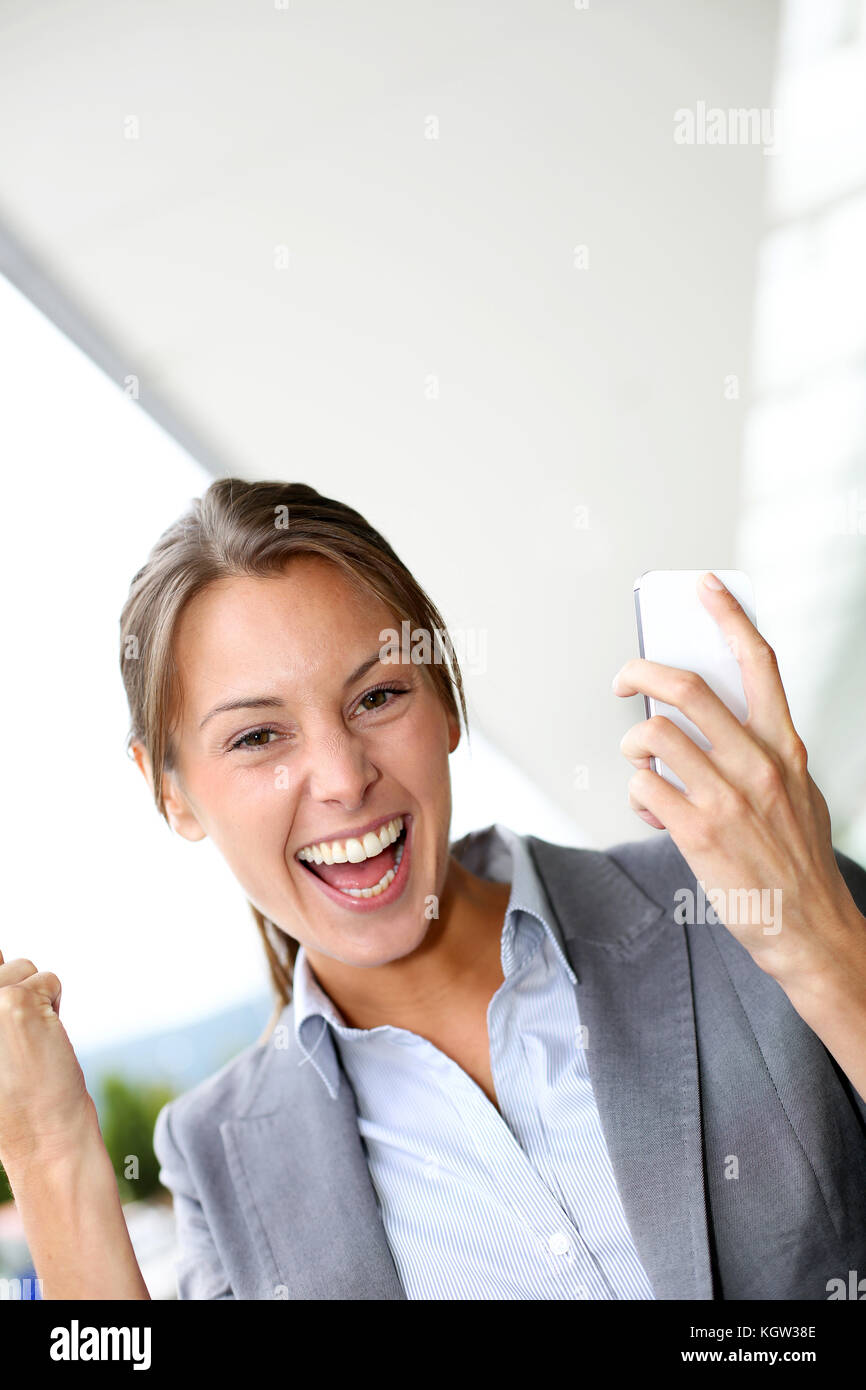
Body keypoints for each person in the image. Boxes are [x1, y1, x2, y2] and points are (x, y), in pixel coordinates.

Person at [1, 477, 865, 1300]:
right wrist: (47, 1151)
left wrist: (822, 949)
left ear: (446, 698)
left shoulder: (740, 895)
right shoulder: (217, 1159)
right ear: (171, 794)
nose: (342, 778)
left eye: (376, 695)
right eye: (259, 736)